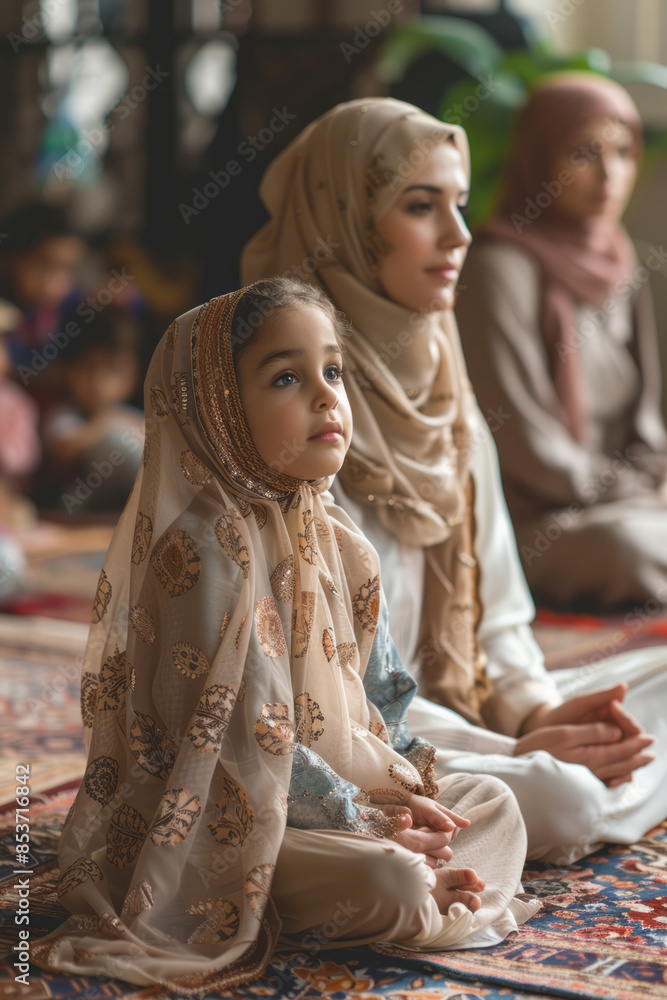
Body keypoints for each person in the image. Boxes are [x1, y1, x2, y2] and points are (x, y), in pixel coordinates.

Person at [33, 278, 537, 993]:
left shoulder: (338, 538)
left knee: (491, 803)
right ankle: (418, 889)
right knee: (387, 878)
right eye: (287, 378)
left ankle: (426, 882)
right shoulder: (202, 550)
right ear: (218, 405)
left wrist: (409, 787)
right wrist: (365, 822)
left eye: (332, 370)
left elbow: (382, 697)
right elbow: (241, 743)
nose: (328, 395)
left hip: (343, 795)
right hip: (224, 817)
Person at [241, 97, 667, 865]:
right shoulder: (282, 395)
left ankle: (566, 784)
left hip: (466, 718)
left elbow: (500, 621)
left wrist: (539, 708)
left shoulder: (446, 392)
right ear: (343, 216)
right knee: (561, 798)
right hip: (344, 737)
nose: (459, 235)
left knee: (645, 697)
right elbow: (333, 692)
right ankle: (559, 797)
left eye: (460, 205)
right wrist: (516, 744)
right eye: (419, 206)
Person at [456, 73, 667, 610]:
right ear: (538, 158)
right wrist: (626, 489)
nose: (610, 175)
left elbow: (646, 423)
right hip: (540, 517)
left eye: (623, 151)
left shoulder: (621, 261)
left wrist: (649, 479)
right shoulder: (497, 268)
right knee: (628, 549)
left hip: (625, 497)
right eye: (583, 153)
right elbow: (526, 446)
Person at [40, 307, 144, 514]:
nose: (98, 383)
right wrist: (105, 425)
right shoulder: (65, 416)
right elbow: (63, 452)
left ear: (131, 377)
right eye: (88, 368)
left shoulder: (133, 416)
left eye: (112, 370)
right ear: (68, 370)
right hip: (78, 512)